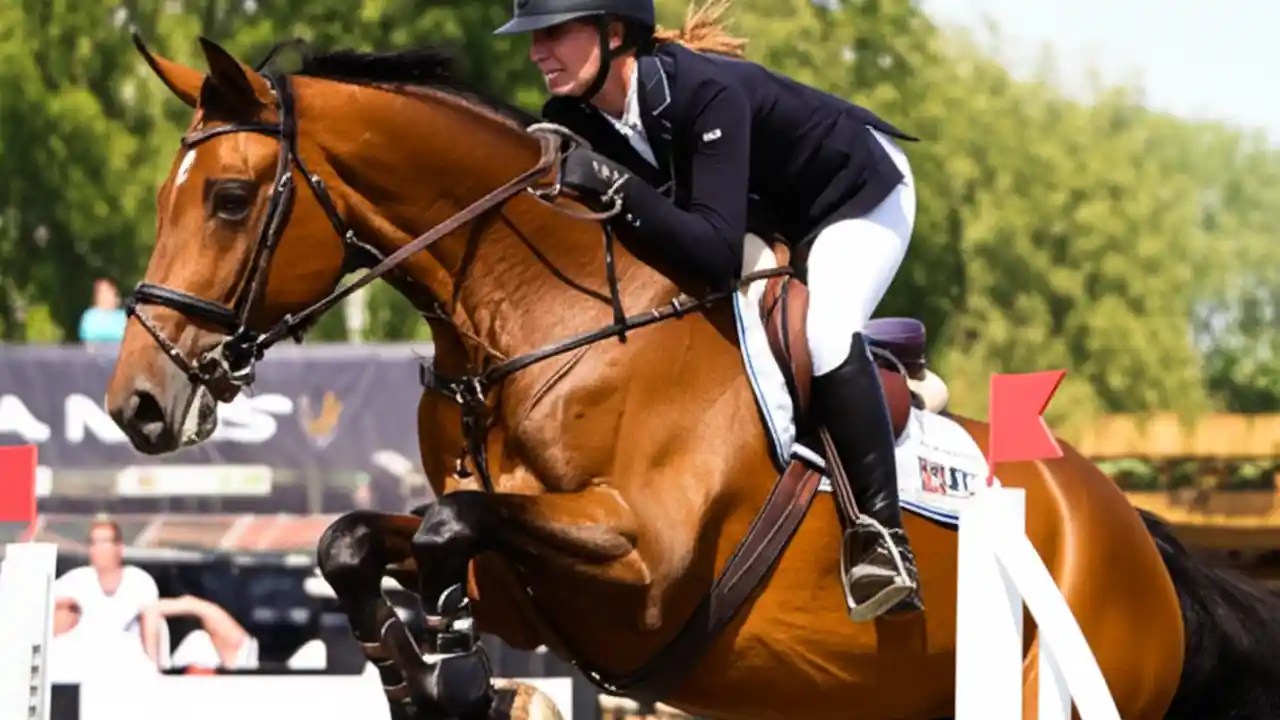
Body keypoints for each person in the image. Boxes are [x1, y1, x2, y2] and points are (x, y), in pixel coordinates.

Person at [495, 0, 922, 619]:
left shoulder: (704, 93)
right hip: (763, 212)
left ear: (615, 34)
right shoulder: (572, 116)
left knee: (826, 330)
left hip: (853, 195)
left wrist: (615, 185)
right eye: (535, 37)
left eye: (555, 33)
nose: (537, 52)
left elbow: (715, 253)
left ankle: (882, 542)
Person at [52, 516, 163, 666]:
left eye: (104, 542)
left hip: (127, 663)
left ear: (119, 547)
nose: (97, 548)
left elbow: (150, 628)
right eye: (93, 543)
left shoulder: (140, 581)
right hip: (81, 662)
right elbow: (44, 607)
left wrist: (153, 669)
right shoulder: (75, 579)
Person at [78, 277, 127, 344]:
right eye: (104, 293)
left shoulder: (122, 316)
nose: (108, 296)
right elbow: (88, 334)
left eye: (111, 293)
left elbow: (126, 335)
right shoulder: (90, 316)